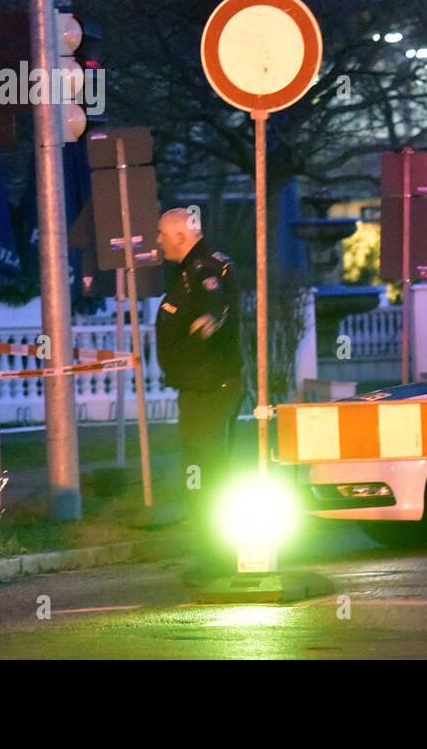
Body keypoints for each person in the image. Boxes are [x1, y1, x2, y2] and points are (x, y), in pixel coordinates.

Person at [154, 208, 243, 584]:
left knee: (207, 475)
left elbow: (215, 305)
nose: (158, 241)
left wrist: (208, 324)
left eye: (162, 234)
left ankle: (217, 560)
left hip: (210, 390)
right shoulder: (189, 269)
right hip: (200, 389)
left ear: (180, 236)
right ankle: (214, 556)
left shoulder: (203, 268)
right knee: (202, 474)